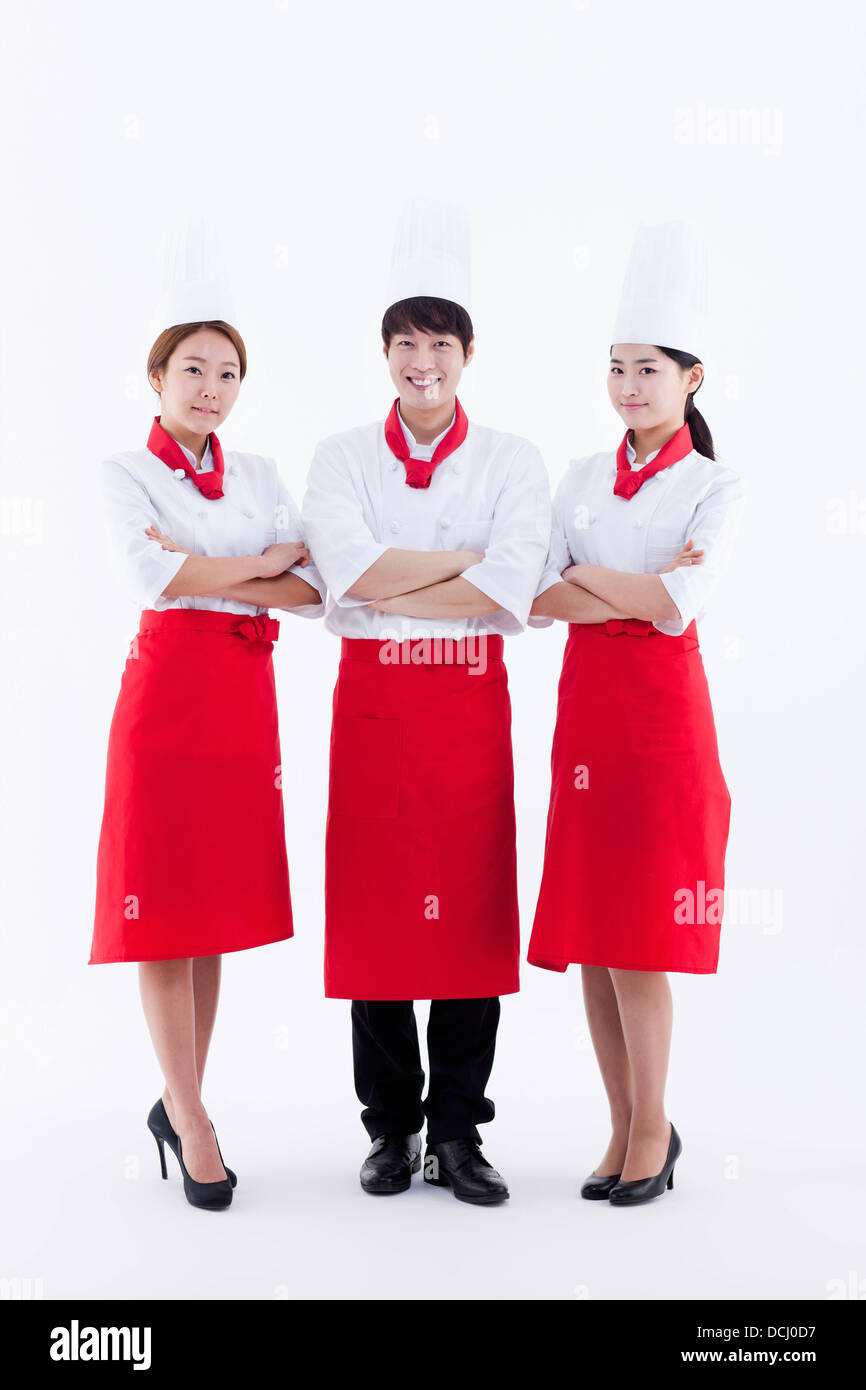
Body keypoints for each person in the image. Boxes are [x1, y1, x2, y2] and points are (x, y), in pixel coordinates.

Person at [302, 198, 551, 1204]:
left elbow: (512, 583)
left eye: (437, 343)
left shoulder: (512, 459)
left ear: (467, 352)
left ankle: (455, 1131)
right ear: (383, 352)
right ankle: (387, 1128)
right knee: (373, 924)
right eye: (404, 344)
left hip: (465, 713)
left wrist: (396, 577)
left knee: (468, 927)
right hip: (372, 714)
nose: (421, 362)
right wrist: (459, 569)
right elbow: (346, 575)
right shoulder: (339, 457)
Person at [90, 220, 326, 1211]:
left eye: (227, 372)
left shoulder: (261, 473)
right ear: (157, 374)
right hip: (164, 708)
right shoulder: (124, 472)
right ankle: (193, 1120)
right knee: (158, 919)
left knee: (212, 917)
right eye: (192, 367)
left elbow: (312, 589)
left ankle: (179, 1097)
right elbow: (156, 574)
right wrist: (255, 566)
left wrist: (231, 574)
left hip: (240, 711)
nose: (210, 388)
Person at [528, 220, 745, 1206]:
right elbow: (537, 595)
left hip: (658, 724)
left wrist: (593, 579)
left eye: (646, 369)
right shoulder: (577, 477)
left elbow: (675, 605)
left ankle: (653, 1126)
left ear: (691, 378)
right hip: (586, 719)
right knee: (587, 921)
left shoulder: (713, 483)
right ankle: (617, 1122)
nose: (626, 387)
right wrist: (625, 585)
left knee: (640, 929)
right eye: (615, 368)